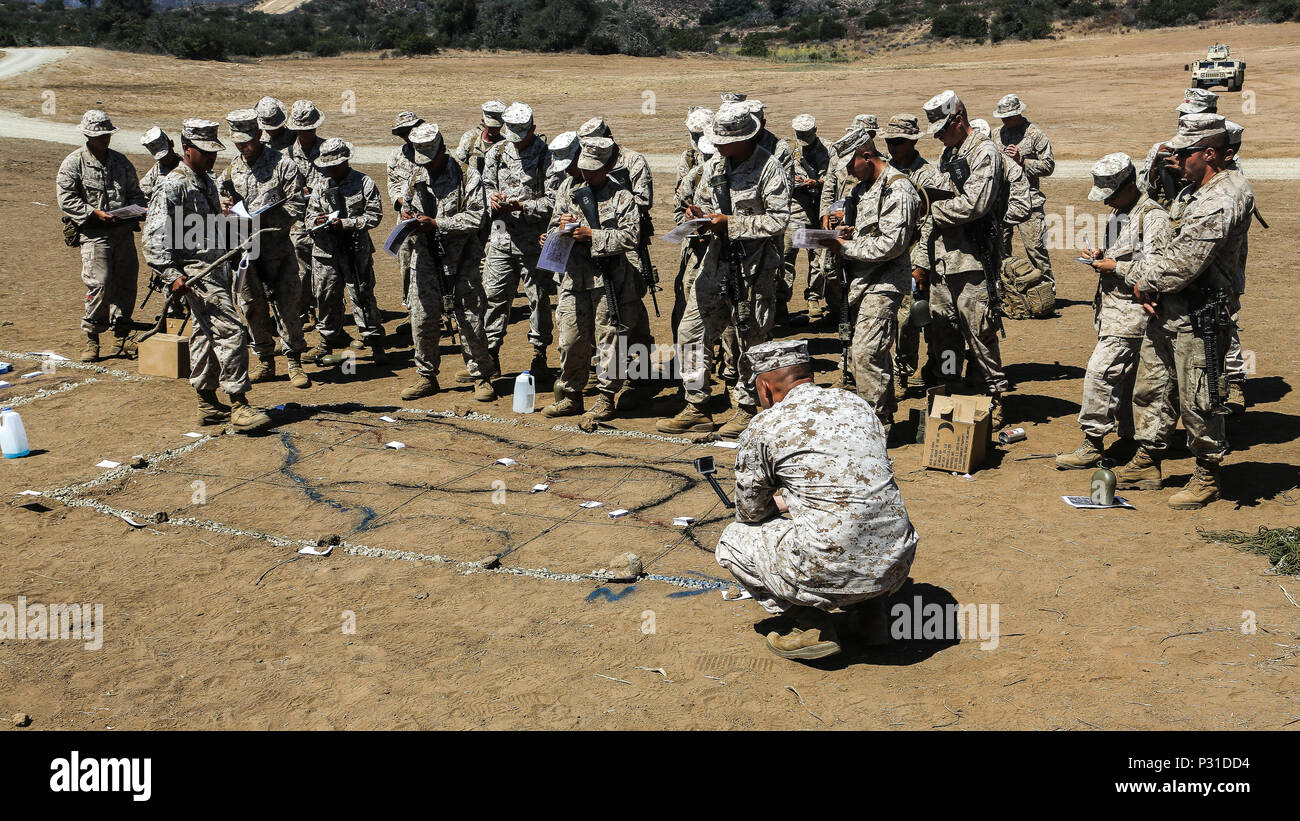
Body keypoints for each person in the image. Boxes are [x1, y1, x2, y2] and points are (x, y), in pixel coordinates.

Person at [715, 339, 918, 661]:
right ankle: (871, 618)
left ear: (765, 388)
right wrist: (795, 502)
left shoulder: (765, 424)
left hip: (830, 564)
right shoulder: (856, 404)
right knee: (854, 524)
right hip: (896, 561)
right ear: (807, 374)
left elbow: (750, 511)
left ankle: (813, 626)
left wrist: (781, 504)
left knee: (733, 540)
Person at [1110, 113, 1253, 509]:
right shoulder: (1194, 191)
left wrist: (1139, 279)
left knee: (1199, 396)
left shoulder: (1222, 197)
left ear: (1208, 153)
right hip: (1169, 308)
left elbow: (1182, 262)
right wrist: (1148, 283)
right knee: (1154, 387)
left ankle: (1207, 472)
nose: (1176, 159)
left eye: (1183, 152)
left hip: (1198, 314)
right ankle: (1147, 460)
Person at [656, 103, 789, 439]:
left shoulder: (769, 168)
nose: (716, 146)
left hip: (754, 269)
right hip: (714, 264)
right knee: (691, 331)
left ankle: (746, 409)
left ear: (745, 139)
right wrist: (698, 217)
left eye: (723, 141)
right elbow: (704, 203)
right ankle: (697, 406)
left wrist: (733, 223)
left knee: (749, 338)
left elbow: (778, 219)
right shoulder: (715, 164)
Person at [142, 119, 271, 433]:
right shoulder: (174, 184)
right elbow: (153, 238)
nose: (211, 157)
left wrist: (224, 217)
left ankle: (207, 403)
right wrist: (172, 275)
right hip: (196, 275)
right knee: (232, 332)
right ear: (187, 149)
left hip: (217, 269)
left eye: (214, 151)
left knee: (205, 334)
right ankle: (239, 403)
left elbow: (204, 227)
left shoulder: (205, 180)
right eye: (204, 152)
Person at [1057, 153, 1171, 469]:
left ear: (1129, 184)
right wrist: (1101, 255)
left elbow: (1159, 270)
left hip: (1133, 314)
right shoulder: (1122, 212)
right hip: (1112, 311)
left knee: (1100, 372)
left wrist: (1116, 267)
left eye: (1110, 194)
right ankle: (1129, 439)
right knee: (1125, 381)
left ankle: (1092, 443)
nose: (1106, 202)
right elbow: (1122, 251)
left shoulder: (1153, 217)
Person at [818, 139, 922, 435]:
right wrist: (844, 232)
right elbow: (869, 231)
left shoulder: (898, 188)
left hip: (885, 281)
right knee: (867, 352)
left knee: (866, 353)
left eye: (851, 166)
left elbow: (891, 244)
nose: (849, 173)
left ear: (867, 157)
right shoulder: (862, 189)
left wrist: (845, 247)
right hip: (860, 280)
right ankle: (884, 414)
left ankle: (876, 425)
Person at [918, 90, 1008, 428]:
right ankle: (951, 391)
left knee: (980, 332)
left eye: (943, 129)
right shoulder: (949, 153)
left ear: (959, 119)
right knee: (945, 335)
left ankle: (994, 395)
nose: (939, 136)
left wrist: (930, 210)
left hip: (973, 262)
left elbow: (975, 204)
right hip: (944, 261)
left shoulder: (985, 151)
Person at [541, 136, 645, 421]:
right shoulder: (568, 189)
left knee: (609, 342)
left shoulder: (621, 196)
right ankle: (572, 395)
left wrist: (593, 236)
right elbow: (553, 224)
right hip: (573, 279)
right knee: (570, 340)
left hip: (608, 280)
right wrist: (555, 233)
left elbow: (632, 237)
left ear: (608, 165)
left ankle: (606, 397)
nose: (586, 174)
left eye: (594, 169)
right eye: (584, 167)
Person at [399, 123, 495, 403]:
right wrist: (409, 220)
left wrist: (438, 224)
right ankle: (426, 376)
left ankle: (481, 376)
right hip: (425, 259)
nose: (427, 165)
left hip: (462, 260)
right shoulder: (416, 177)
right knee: (423, 319)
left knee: (470, 319)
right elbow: (406, 209)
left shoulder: (467, 176)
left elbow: (477, 217)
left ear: (443, 149)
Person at [217, 109, 311, 390]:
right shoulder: (231, 170)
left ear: (259, 134)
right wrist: (224, 209)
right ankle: (266, 361)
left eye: (246, 141)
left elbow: (297, 204)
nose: (242, 147)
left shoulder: (284, 166)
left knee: (287, 304)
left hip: (277, 248)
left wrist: (268, 220)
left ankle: (294, 361)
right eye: (237, 142)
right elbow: (222, 202)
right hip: (246, 252)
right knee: (252, 305)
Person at [57, 110, 146, 363]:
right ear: (87, 135)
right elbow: (66, 199)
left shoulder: (121, 162)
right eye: (99, 135)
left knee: (126, 284)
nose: (105, 139)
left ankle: (122, 335)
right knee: (101, 284)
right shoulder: (74, 163)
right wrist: (93, 213)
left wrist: (137, 209)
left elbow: (135, 193)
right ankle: (92, 338)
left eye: (107, 134)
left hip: (123, 233)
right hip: (95, 234)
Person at [481, 102, 554, 379]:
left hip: (534, 242)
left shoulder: (546, 156)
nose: (515, 139)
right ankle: (491, 355)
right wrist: (493, 200)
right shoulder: (496, 152)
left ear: (533, 129)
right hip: (501, 239)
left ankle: (539, 354)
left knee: (539, 299)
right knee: (494, 297)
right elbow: (485, 187)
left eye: (521, 133)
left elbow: (553, 202)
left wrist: (523, 207)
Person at [304, 138, 386, 364]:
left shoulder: (363, 182)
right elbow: (308, 217)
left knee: (362, 294)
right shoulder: (320, 185)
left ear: (346, 161)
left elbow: (374, 216)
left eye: (335, 164)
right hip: (326, 254)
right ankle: (327, 341)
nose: (331, 169)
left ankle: (375, 342)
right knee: (326, 296)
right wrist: (317, 220)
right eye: (327, 165)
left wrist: (346, 224)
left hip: (355, 251)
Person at [882, 114, 940, 399]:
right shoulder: (884, 170)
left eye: (899, 142)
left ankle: (905, 371)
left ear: (913, 141)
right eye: (889, 141)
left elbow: (930, 222)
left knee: (911, 318)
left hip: (914, 252)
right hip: (884, 253)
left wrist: (921, 263)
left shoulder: (928, 174)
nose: (893, 147)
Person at [992, 94, 1055, 285]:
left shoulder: (1035, 134)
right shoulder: (995, 134)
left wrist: (1022, 161)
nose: (1006, 120)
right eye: (1003, 117)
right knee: (1000, 249)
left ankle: (1047, 290)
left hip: (1029, 202)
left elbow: (1048, 166)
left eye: (1010, 116)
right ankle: (1006, 292)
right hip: (1002, 203)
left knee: (1036, 249)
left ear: (1019, 113)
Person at [287, 100, 329, 330]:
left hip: (324, 219)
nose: (306, 133)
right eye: (301, 130)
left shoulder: (327, 150)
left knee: (325, 271)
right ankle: (302, 311)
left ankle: (328, 316)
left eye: (309, 129)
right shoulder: (287, 154)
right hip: (298, 222)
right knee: (301, 271)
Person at [787, 114, 830, 320]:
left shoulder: (829, 150)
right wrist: (791, 180)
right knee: (788, 256)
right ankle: (780, 302)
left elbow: (834, 178)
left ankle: (813, 297)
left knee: (818, 258)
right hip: (797, 210)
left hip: (820, 210)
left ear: (815, 131)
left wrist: (817, 182)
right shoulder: (788, 151)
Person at [386, 111, 424, 308]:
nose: (408, 135)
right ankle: (410, 308)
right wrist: (405, 205)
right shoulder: (395, 157)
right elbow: (392, 185)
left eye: (411, 130)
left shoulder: (433, 152)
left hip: (430, 219)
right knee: (405, 264)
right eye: (404, 132)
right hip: (405, 221)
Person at [453, 100, 507, 174]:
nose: (493, 130)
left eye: (496, 127)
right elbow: (458, 166)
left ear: (503, 124)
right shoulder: (469, 139)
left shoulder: (506, 144)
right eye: (490, 126)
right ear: (483, 121)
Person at [139, 127, 180, 201]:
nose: (164, 159)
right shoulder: (155, 171)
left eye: (166, 155)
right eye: (160, 158)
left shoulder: (187, 168)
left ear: (172, 144)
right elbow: (142, 193)